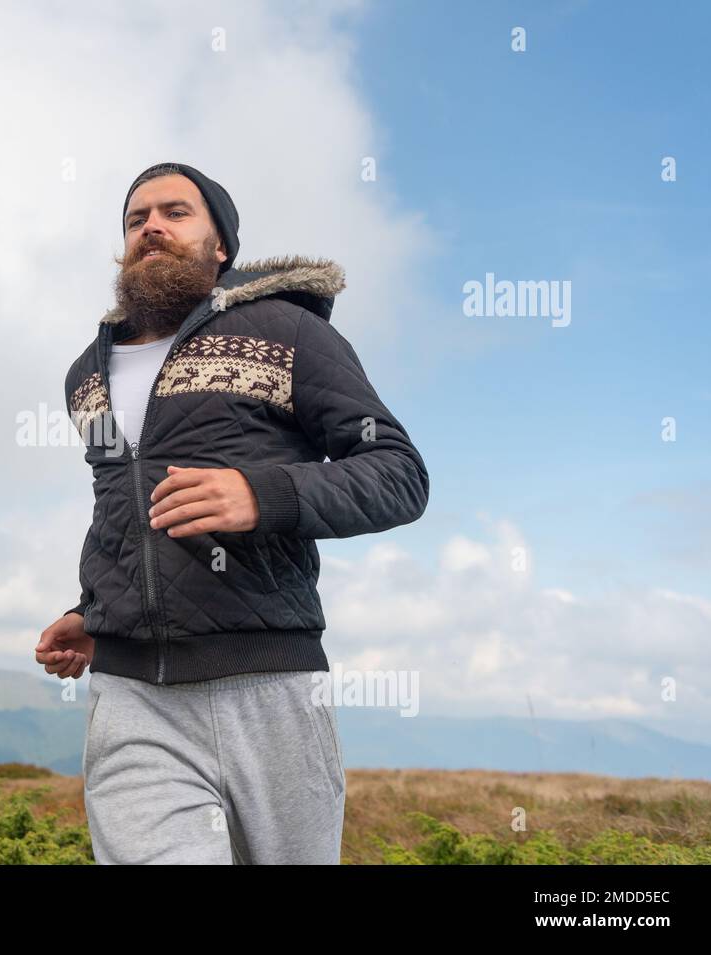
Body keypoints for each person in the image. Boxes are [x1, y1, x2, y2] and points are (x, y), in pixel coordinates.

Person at [34, 161, 430, 864]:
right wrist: (97, 609)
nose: (152, 225)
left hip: (269, 683)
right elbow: (118, 510)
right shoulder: (85, 375)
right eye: (136, 218)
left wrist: (263, 494)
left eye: (176, 212)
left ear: (221, 247)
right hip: (132, 696)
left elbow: (399, 475)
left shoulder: (289, 333)